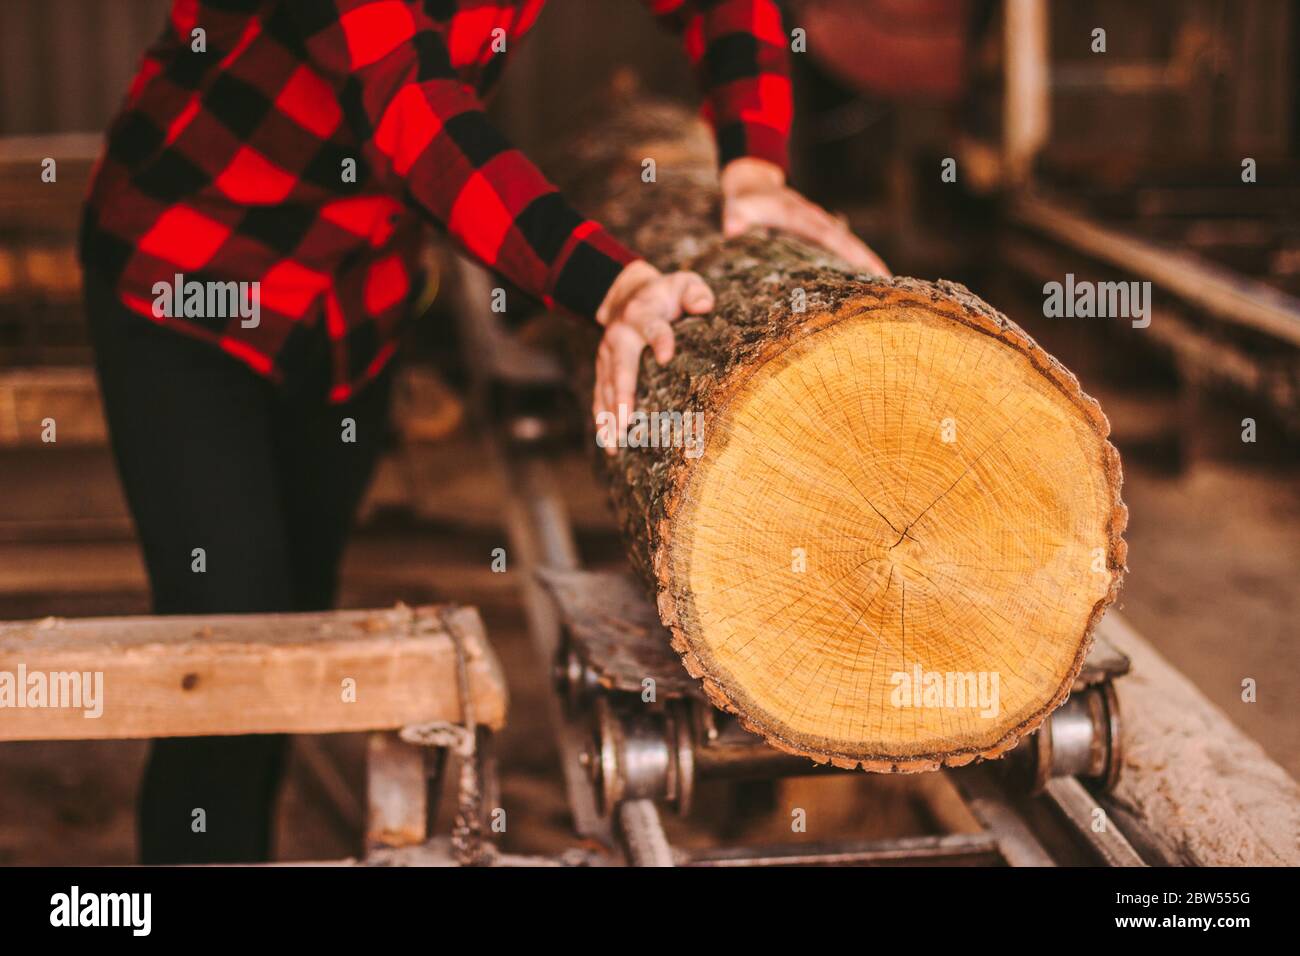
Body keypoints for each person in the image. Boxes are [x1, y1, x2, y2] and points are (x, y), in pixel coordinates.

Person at [79, 0, 887, 863]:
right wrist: (607, 284)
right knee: (227, 638)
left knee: (293, 618)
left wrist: (754, 159)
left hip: (357, 304)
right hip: (189, 284)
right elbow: (413, 113)